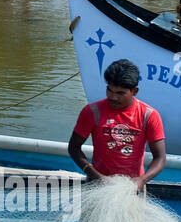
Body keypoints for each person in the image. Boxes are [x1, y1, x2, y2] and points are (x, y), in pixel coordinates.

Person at [68, 59, 167, 193]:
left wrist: (141, 180)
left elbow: (160, 157)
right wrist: (96, 175)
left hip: (133, 187)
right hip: (96, 183)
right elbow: (74, 148)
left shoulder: (148, 115)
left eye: (120, 93)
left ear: (135, 91)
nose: (113, 97)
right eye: (109, 90)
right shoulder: (92, 111)